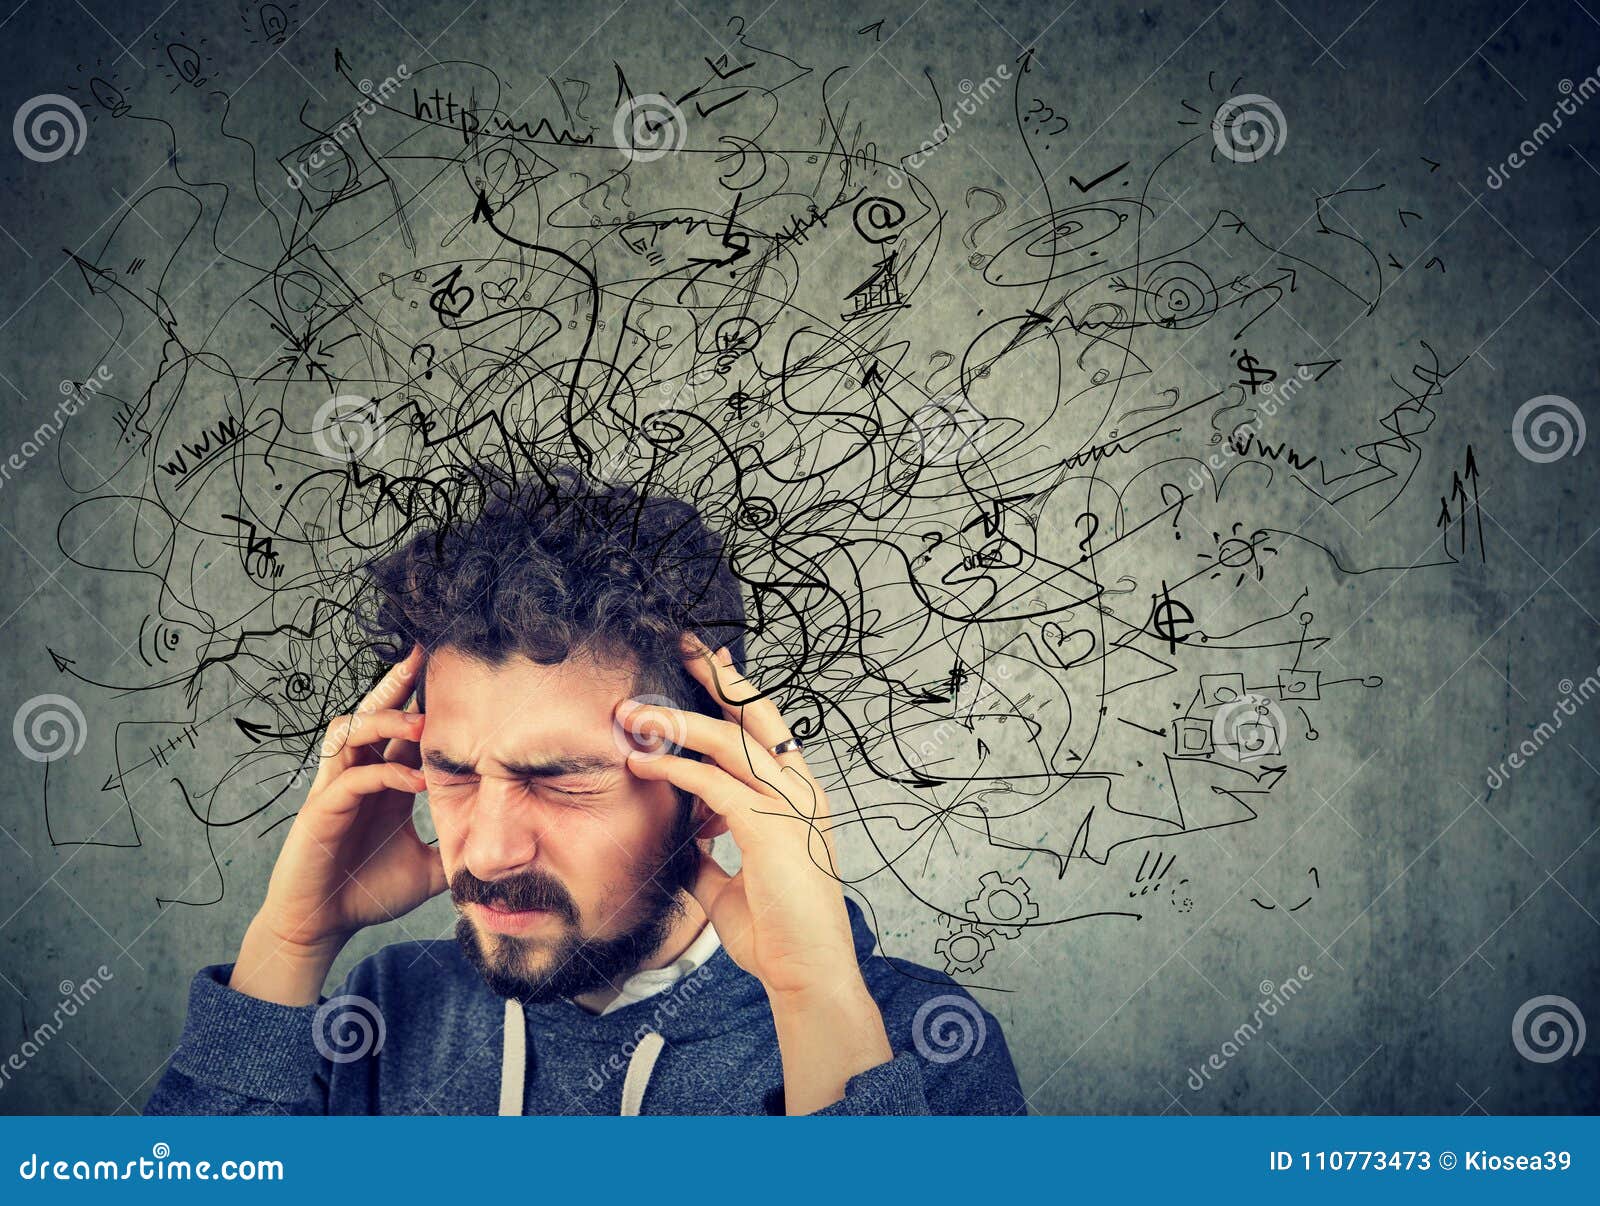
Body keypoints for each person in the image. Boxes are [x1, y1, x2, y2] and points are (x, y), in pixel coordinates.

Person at [144, 465, 1024, 1115]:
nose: (484, 852)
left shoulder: (920, 1049)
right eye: (452, 772)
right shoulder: (374, 1022)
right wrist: (289, 946)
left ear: (713, 790)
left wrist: (813, 998)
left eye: (560, 780)